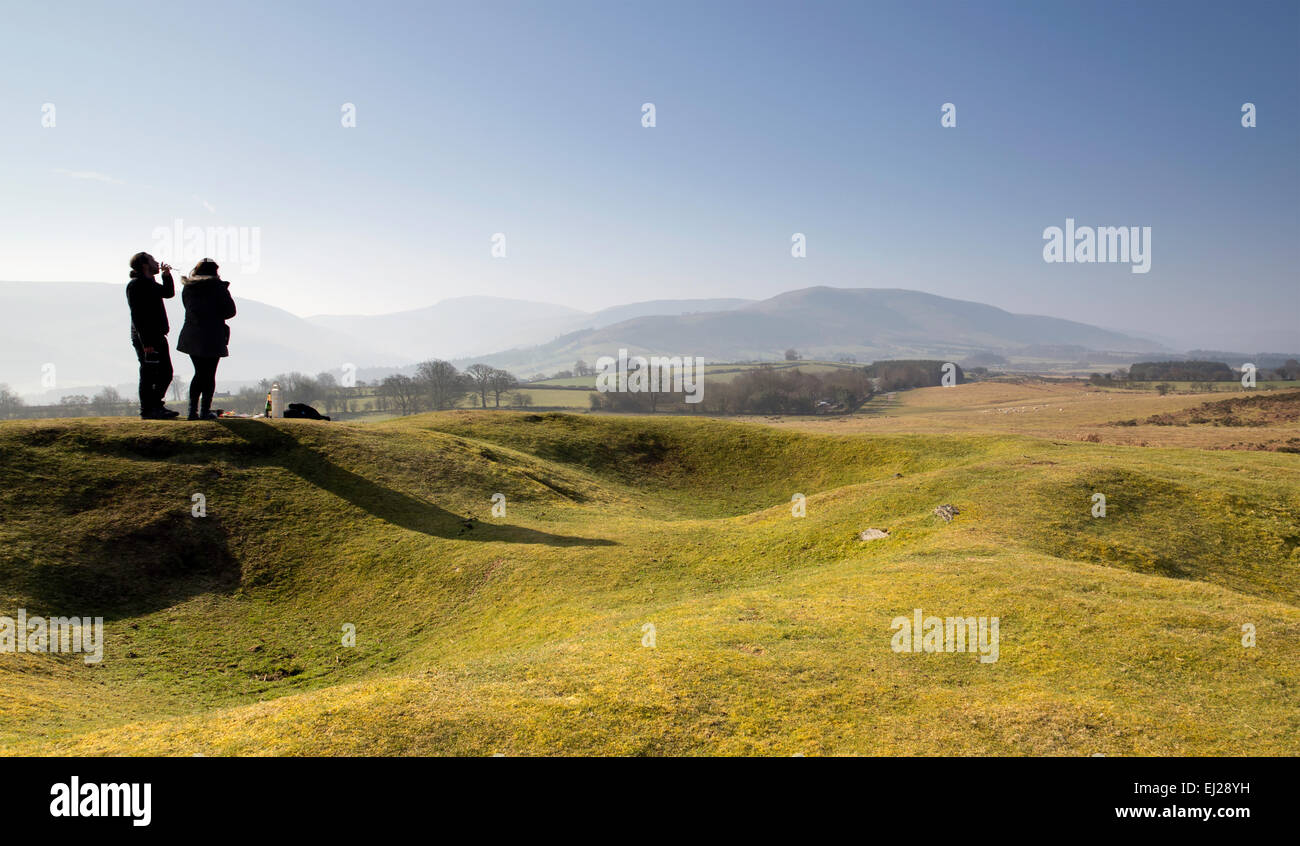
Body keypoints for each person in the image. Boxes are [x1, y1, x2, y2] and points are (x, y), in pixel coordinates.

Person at [176, 258, 237, 420]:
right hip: (212, 335)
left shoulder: (188, 288)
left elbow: (188, 307)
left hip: (192, 334)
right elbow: (230, 311)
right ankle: (204, 410)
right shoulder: (218, 287)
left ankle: (191, 411)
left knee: (199, 373)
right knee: (209, 374)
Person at [126, 252, 179, 419]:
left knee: (166, 373)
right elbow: (137, 316)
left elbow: (168, 293)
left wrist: (166, 275)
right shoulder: (136, 285)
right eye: (153, 260)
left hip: (158, 336)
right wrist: (146, 342)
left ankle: (156, 405)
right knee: (149, 374)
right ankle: (148, 409)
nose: (157, 262)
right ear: (144, 265)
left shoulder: (150, 283)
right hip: (146, 338)